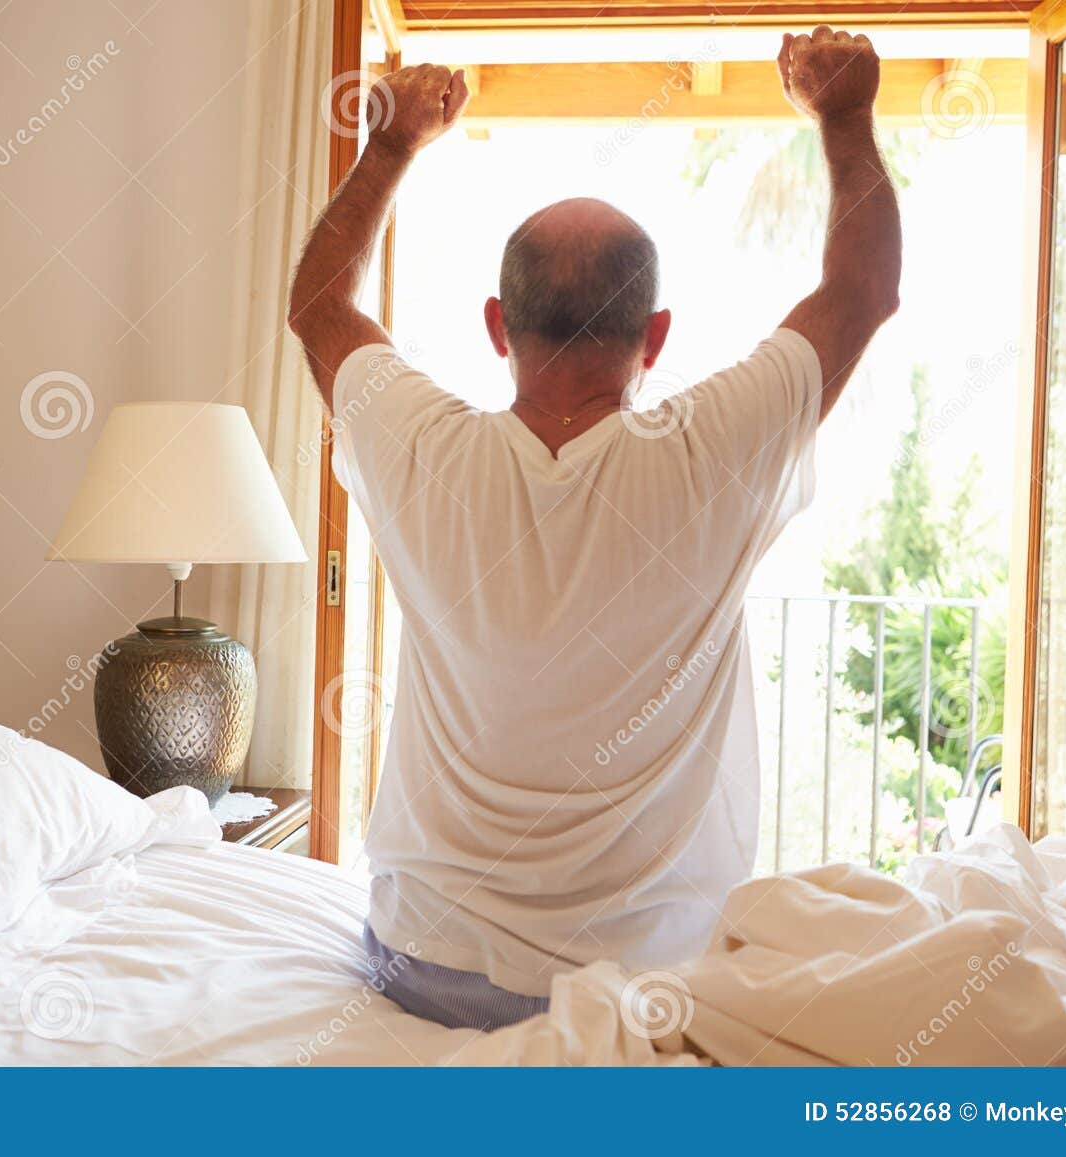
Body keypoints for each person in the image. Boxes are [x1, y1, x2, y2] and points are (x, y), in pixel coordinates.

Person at [287, 26, 901, 1031]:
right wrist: (843, 116)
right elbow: (863, 290)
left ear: (497, 325)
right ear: (653, 336)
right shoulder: (713, 453)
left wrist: (391, 146)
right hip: (645, 982)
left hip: (425, 963)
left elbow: (319, 305)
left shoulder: (416, 448)